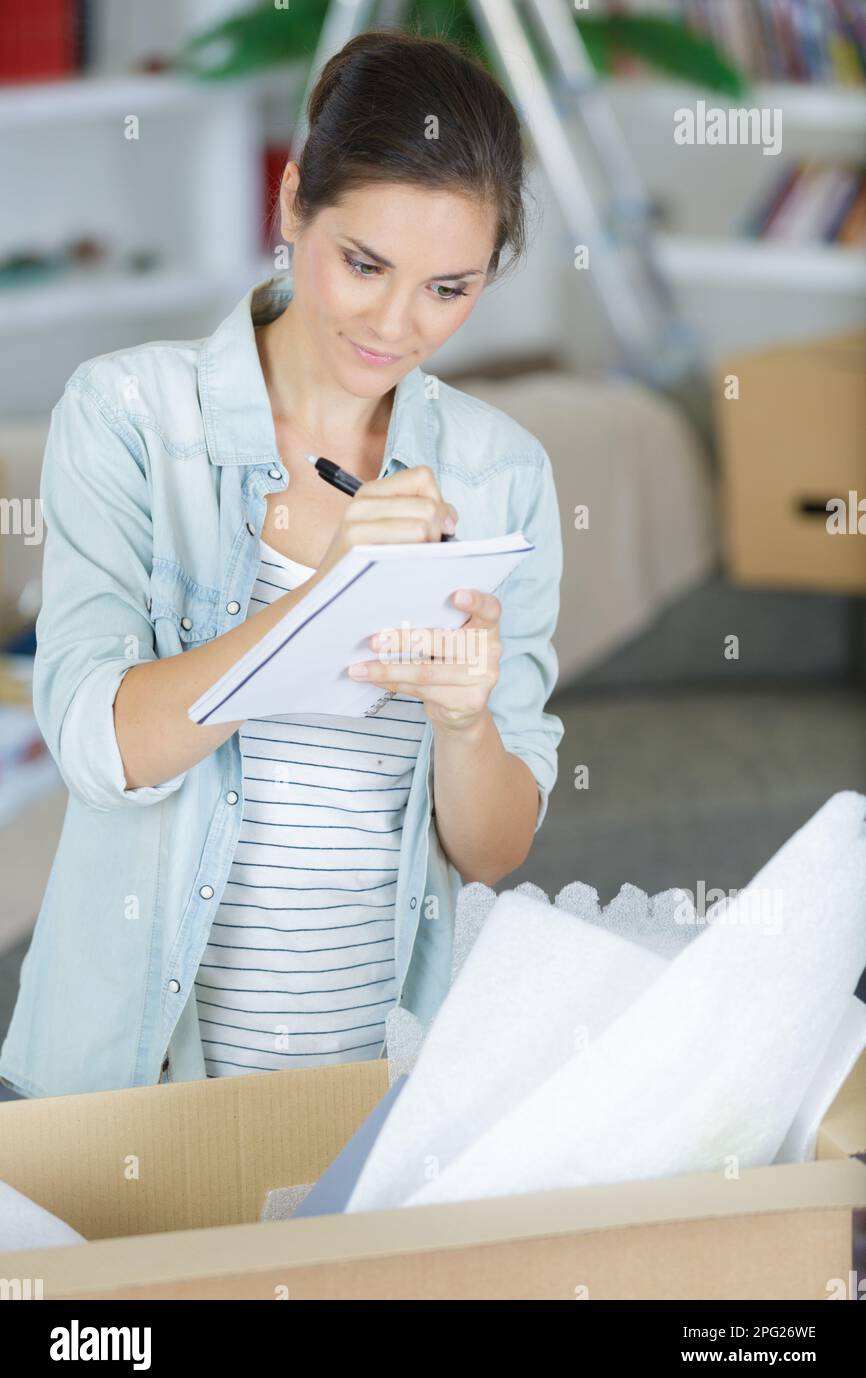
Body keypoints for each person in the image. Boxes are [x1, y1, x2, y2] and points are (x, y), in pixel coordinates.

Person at [0, 29, 564, 1098]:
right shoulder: (126, 413)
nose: (395, 324)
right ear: (292, 200)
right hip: (129, 1092)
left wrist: (462, 721)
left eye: (448, 288)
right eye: (363, 264)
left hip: (374, 1094)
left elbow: (490, 851)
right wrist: (324, 604)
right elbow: (99, 746)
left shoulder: (503, 476)